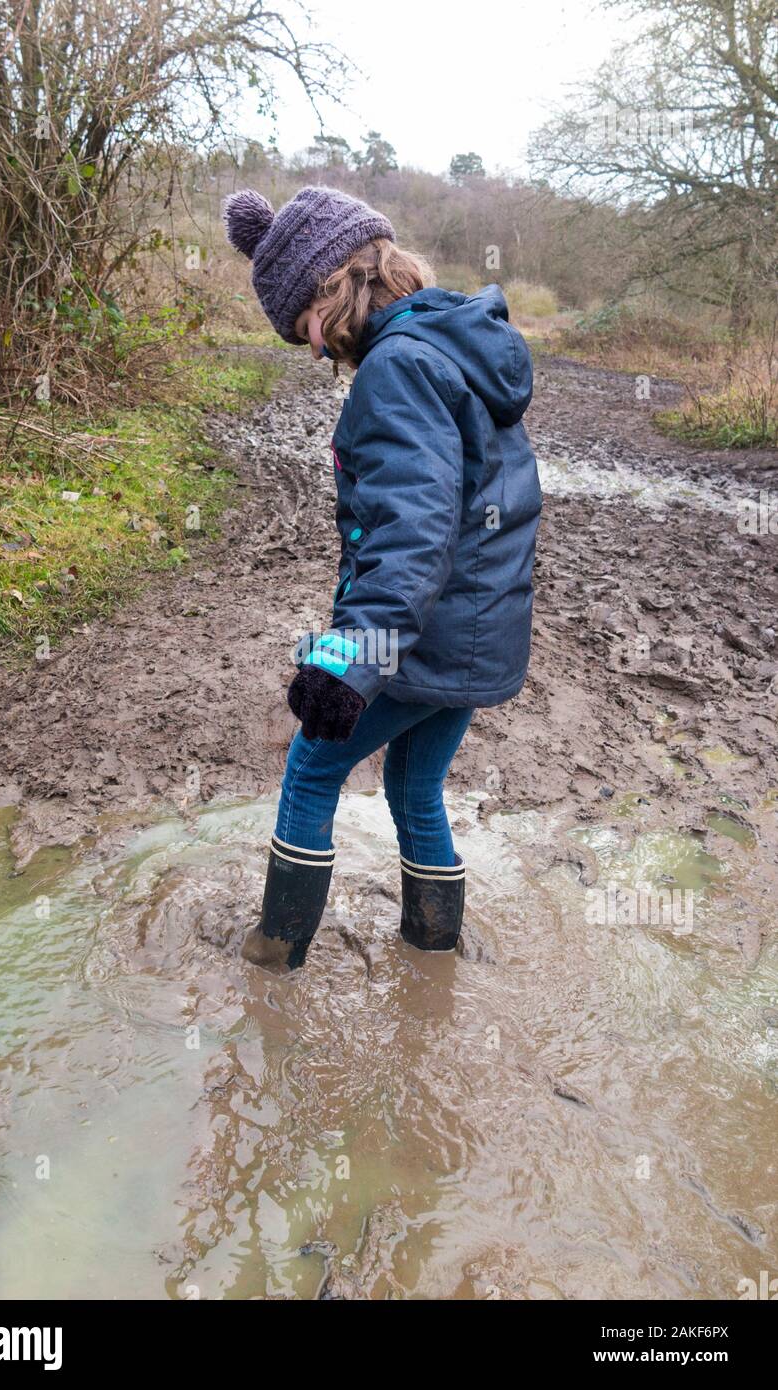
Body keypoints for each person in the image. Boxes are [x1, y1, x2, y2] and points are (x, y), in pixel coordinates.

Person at [222, 185, 542, 971]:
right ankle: (431, 955)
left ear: (334, 287)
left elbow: (413, 531)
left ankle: (271, 962)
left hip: (419, 638)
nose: (311, 347)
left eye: (301, 323)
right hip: (471, 633)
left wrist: (352, 661)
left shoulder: (396, 368)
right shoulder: (454, 350)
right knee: (413, 786)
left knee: (310, 768)